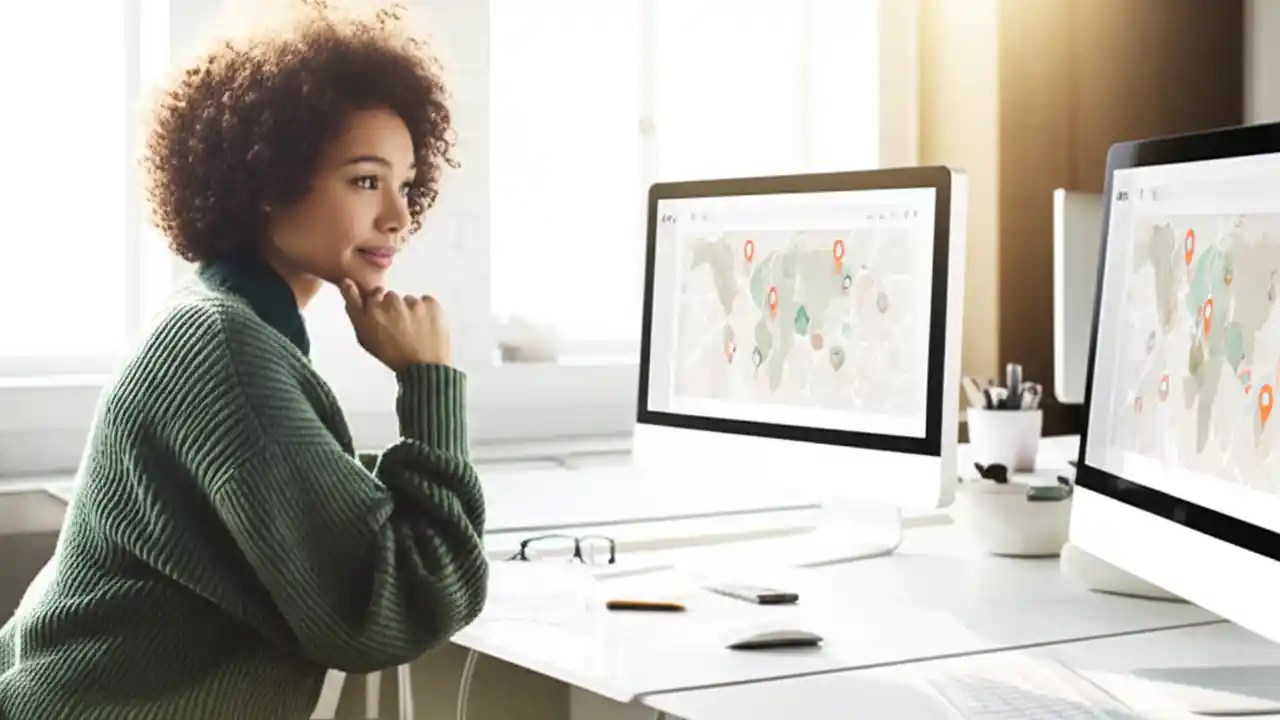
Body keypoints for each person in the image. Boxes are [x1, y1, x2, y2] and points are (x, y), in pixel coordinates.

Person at [0, 3, 487, 717]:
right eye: (364, 180)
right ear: (267, 179)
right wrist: (430, 381)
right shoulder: (226, 352)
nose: (399, 217)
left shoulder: (219, 321)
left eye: (406, 184)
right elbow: (401, 605)